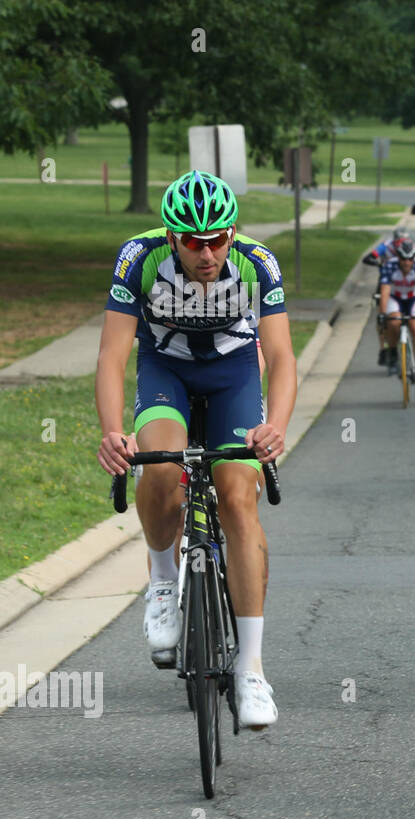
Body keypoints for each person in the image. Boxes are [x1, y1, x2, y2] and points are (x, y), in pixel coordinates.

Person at [95, 170, 295, 731]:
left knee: (238, 499)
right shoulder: (139, 258)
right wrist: (114, 431)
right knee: (159, 468)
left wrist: (275, 427)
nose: (206, 252)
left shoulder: (259, 262)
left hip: (235, 375)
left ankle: (250, 668)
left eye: (217, 239)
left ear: (232, 234)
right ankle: (163, 582)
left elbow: (279, 356)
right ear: (172, 236)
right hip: (167, 371)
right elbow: (112, 355)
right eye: (191, 240)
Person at [379, 237, 415, 383]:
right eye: (403, 259)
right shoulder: (389, 266)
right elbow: (385, 292)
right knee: (393, 322)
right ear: (398, 257)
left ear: (414, 258)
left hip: (413, 298)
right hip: (396, 298)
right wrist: (383, 314)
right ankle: (393, 352)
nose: (407, 262)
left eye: (410, 259)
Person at [365, 226, 412, 366]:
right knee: (382, 315)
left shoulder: (410, 247)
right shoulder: (386, 246)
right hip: (386, 282)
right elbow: (368, 258)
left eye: (404, 240)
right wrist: (379, 263)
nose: (401, 243)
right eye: (398, 241)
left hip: (403, 283)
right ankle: (383, 349)